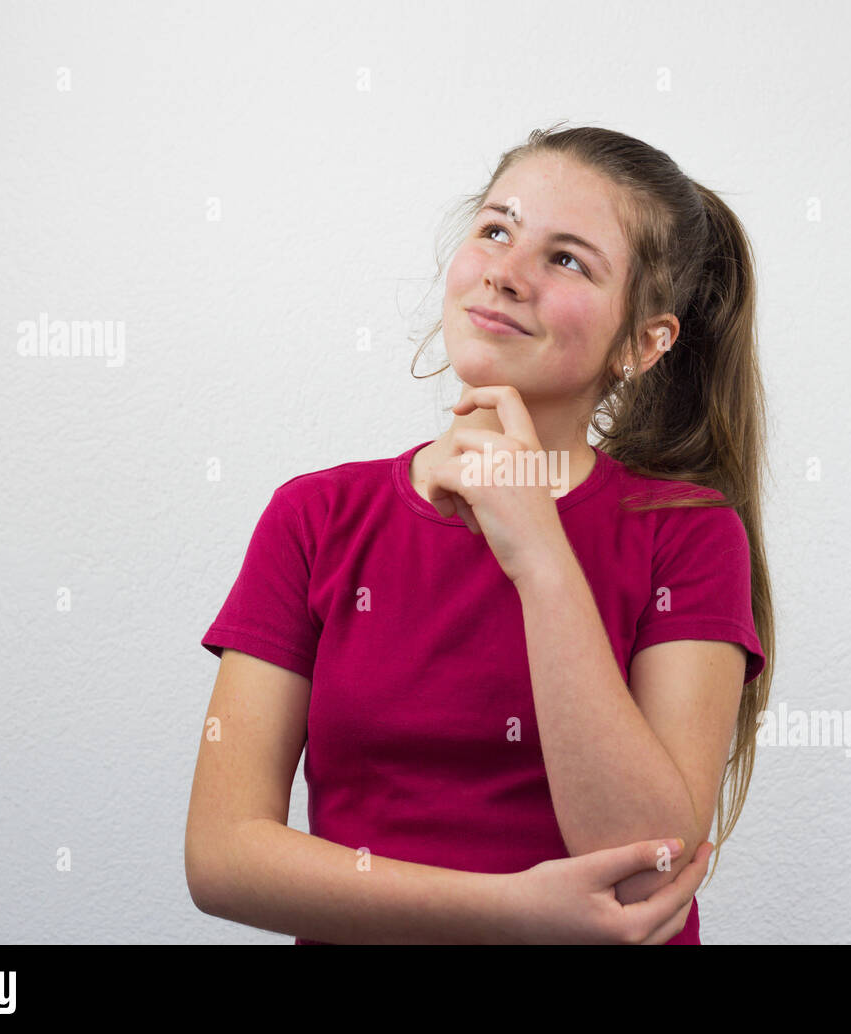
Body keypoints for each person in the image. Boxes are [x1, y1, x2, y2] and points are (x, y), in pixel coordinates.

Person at [185, 122, 774, 944]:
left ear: (643, 344)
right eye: (496, 230)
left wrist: (539, 552)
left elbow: (647, 863)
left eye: (567, 259)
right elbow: (223, 857)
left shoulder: (688, 537)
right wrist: (512, 911)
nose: (505, 272)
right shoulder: (315, 518)